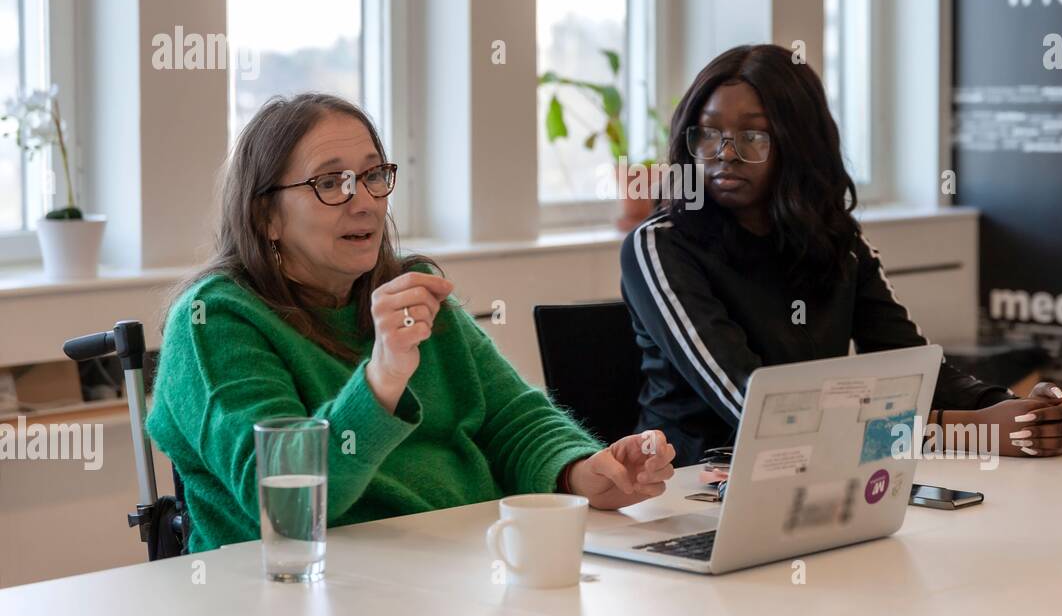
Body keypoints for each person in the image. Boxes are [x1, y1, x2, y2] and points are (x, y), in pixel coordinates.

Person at [148, 93, 675, 552]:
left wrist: (582, 472)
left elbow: (513, 417)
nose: (365, 202)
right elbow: (284, 497)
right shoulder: (215, 320)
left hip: (460, 563)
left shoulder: (407, 288)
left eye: (374, 176)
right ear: (266, 216)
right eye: (331, 183)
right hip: (310, 589)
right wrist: (382, 380)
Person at [620, 44, 1062, 466]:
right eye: (706, 134)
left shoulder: (834, 241)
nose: (724, 154)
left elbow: (913, 367)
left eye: (754, 137)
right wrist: (965, 431)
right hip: (694, 488)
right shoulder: (662, 245)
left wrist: (1016, 411)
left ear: (799, 144)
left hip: (820, 475)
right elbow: (759, 412)